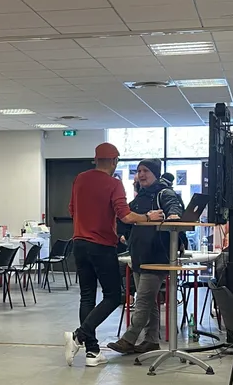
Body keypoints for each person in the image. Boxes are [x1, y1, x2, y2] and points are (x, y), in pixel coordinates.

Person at [64, 143, 163, 368]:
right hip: (101, 246)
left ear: (96, 159)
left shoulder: (80, 179)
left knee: (87, 296)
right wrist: (148, 217)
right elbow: (125, 216)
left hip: (79, 243)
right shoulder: (114, 184)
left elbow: (72, 210)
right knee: (113, 296)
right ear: (114, 161)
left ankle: (92, 352)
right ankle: (79, 336)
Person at [110, 159, 183, 356]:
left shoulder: (164, 193)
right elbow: (124, 218)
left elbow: (175, 208)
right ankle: (151, 341)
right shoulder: (139, 197)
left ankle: (129, 339)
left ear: (155, 173)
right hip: (138, 255)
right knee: (149, 302)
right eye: (139, 171)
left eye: (146, 171)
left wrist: (173, 216)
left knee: (142, 300)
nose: (141, 174)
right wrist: (123, 233)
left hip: (157, 255)